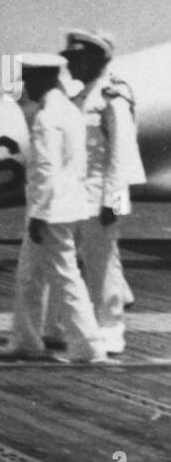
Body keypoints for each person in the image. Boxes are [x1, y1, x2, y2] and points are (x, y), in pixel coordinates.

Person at [0, 53, 106, 363]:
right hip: (65, 206)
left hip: (50, 211)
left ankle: (89, 346)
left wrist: (38, 216)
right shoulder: (68, 109)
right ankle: (26, 340)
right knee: (29, 276)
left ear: (44, 78)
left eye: (29, 79)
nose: (26, 86)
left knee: (64, 278)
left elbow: (46, 169)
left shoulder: (47, 117)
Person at [41, 29, 145, 355]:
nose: (70, 65)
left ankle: (112, 330)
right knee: (71, 264)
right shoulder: (80, 96)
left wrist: (113, 201)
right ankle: (65, 327)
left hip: (100, 196)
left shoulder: (112, 97)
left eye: (76, 59)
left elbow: (121, 153)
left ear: (96, 60)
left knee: (103, 266)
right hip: (74, 197)